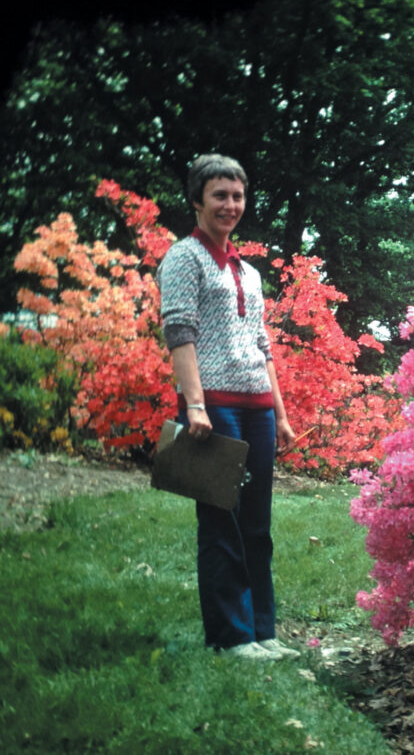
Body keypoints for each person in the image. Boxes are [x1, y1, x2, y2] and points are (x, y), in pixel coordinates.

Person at [158, 154, 299, 661]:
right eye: (220, 195)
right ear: (197, 200)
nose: (230, 205)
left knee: (257, 526)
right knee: (223, 524)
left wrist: (280, 414)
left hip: (258, 409)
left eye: (237, 196)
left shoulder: (251, 272)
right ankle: (230, 636)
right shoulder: (183, 258)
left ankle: (263, 631)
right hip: (214, 408)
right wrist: (194, 405)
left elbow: (262, 346)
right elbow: (180, 334)